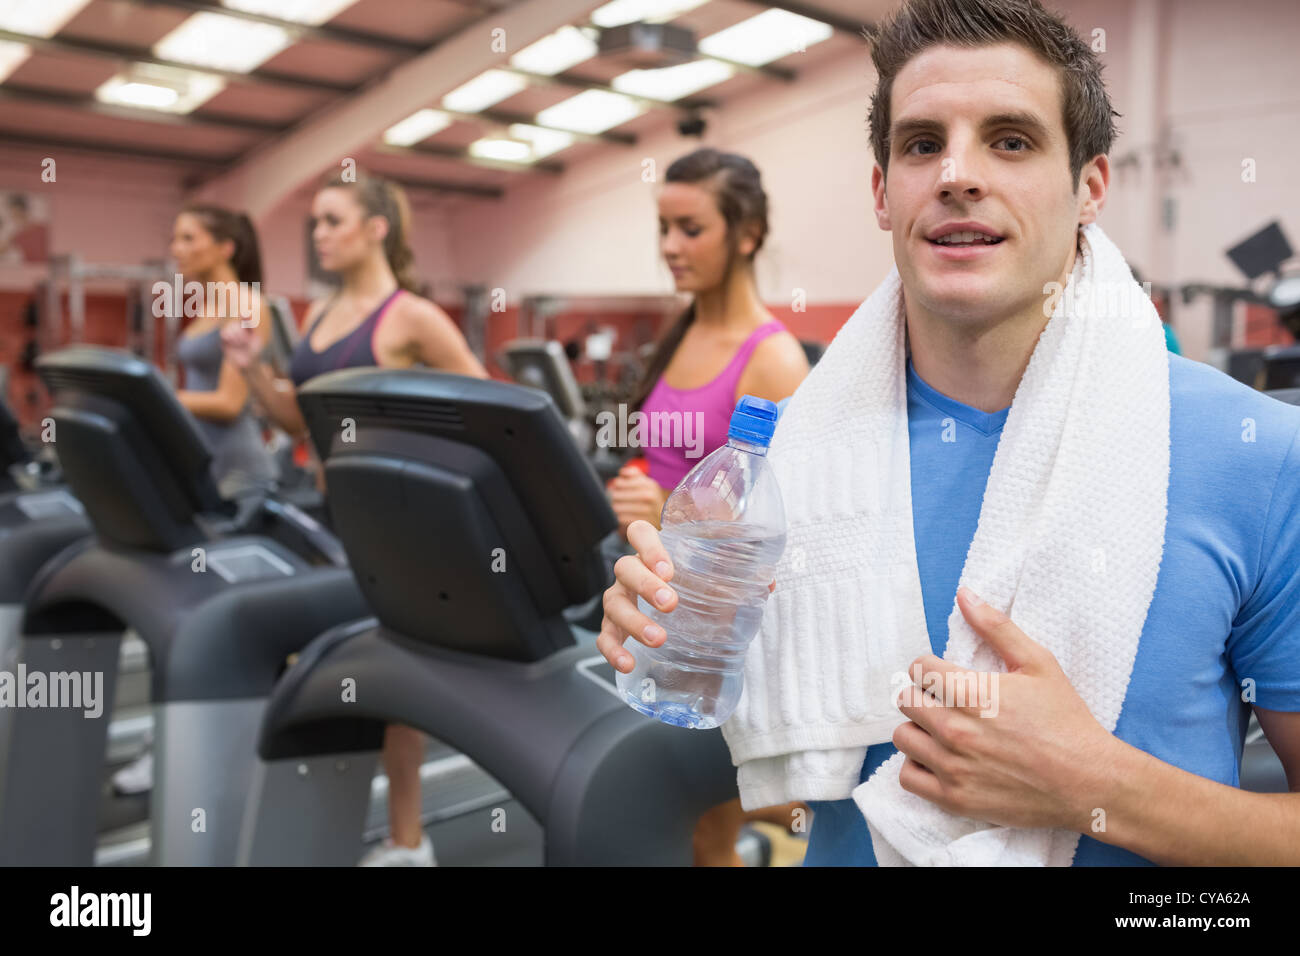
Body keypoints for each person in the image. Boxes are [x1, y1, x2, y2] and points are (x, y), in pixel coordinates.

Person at [598, 0, 1300, 866]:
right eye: (923, 143)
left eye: (1011, 140)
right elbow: (779, 731)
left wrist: (1097, 790)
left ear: (1091, 187)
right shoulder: (791, 469)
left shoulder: (1256, 458)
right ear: (883, 192)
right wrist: (668, 637)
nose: (957, 174)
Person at [222, 171, 488, 866]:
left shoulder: (411, 317)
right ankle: (321, 815)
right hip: (328, 513)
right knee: (317, 660)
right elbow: (295, 417)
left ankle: (408, 840)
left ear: (377, 229)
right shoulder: (319, 314)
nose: (319, 236)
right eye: (313, 224)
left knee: (392, 678)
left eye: (333, 221)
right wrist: (252, 368)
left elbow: (489, 410)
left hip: (397, 524)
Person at [608, 147, 811, 865]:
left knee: (704, 839)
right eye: (663, 227)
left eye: (690, 229)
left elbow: (772, 529)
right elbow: (665, 461)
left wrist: (664, 503)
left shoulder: (773, 360)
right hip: (650, 604)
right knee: (652, 819)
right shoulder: (682, 333)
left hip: (708, 637)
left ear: (746, 233)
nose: (670, 247)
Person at [110, 203, 280, 799]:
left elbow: (232, 403)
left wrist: (154, 393)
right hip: (199, 478)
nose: (176, 248)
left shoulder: (247, 304)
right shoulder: (203, 305)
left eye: (188, 237)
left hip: (239, 479)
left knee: (203, 617)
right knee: (177, 608)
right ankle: (175, 743)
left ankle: (202, 750)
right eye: (174, 236)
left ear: (225, 246)